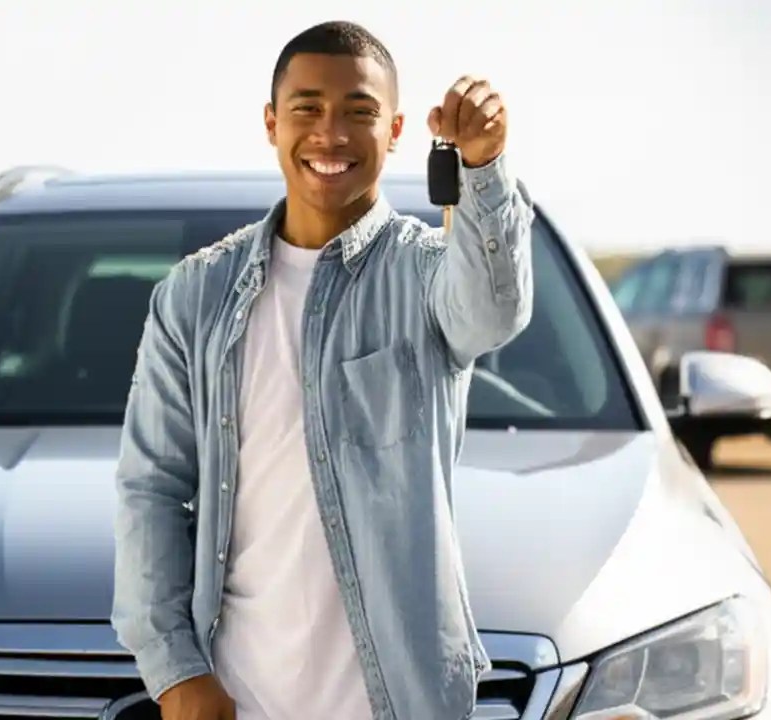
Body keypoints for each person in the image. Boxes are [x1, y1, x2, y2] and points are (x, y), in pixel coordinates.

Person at [112, 19, 534, 720]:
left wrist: (483, 166)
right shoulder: (196, 295)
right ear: (272, 123)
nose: (330, 134)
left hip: (397, 704)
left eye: (358, 112)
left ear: (395, 131)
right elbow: (151, 488)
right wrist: (175, 671)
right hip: (238, 700)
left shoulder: (427, 274)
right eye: (307, 108)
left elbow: (493, 314)